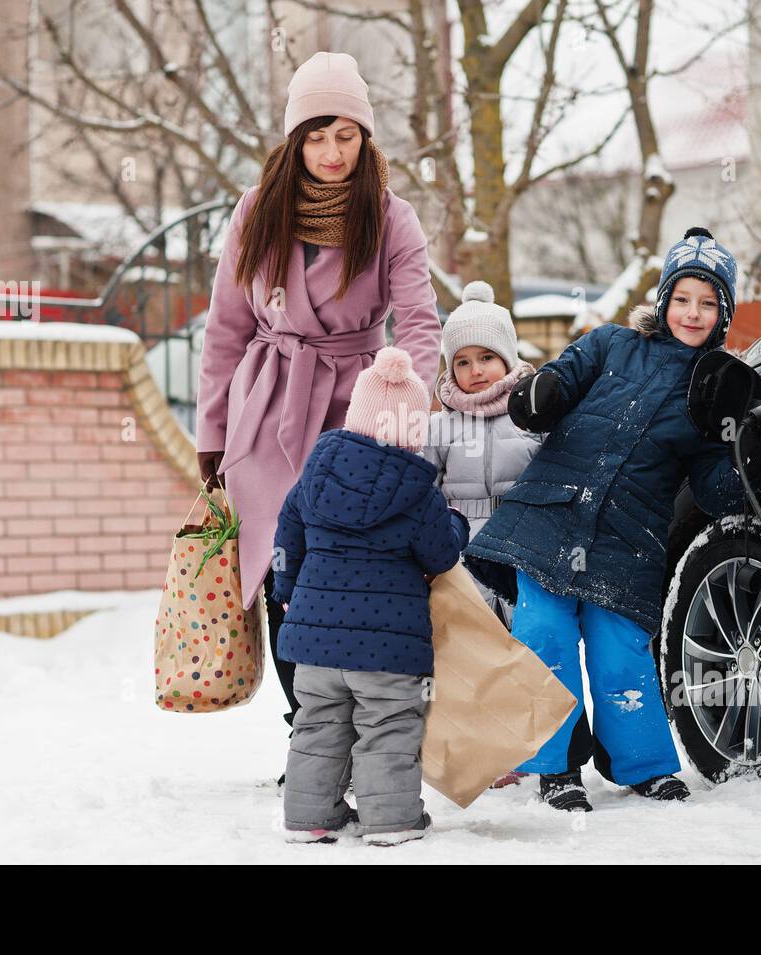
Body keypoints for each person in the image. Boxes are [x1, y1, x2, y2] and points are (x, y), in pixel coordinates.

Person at [464, 227, 761, 811]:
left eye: (708, 303)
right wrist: (542, 391)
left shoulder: (711, 392)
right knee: (544, 636)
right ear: (663, 301)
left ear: (723, 313)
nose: (692, 312)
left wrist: (749, 446)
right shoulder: (610, 344)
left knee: (619, 650)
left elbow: (716, 489)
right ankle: (552, 767)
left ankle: (644, 766)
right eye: (682, 298)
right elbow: (558, 381)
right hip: (549, 518)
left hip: (629, 541)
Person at [194, 52, 441, 739]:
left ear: (365, 138)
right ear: (293, 139)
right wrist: (211, 434)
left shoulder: (392, 217)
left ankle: (365, 736)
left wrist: (405, 416)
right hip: (268, 412)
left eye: (346, 135)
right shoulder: (256, 212)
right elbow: (225, 330)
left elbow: (420, 322)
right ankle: (310, 735)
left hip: (356, 419)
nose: (331, 152)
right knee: (283, 574)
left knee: (349, 574)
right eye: (315, 135)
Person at [272, 347, 470, 845]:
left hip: (314, 646)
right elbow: (441, 555)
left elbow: (286, 539)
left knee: (317, 726)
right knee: (388, 726)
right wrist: (456, 522)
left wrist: (287, 591)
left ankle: (308, 818)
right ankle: (392, 821)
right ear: (414, 429)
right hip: (388, 649)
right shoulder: (418, 492)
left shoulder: (312, 477)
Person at [419, 280, 542, 631]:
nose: (475, 370)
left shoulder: (533, 416)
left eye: (486, 357)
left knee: (526, 643)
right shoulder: (440, 426)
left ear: (506, 357)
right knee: (472, 645)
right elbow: (423, 489)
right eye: (462, 361)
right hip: (460, 554)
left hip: (523, 546)